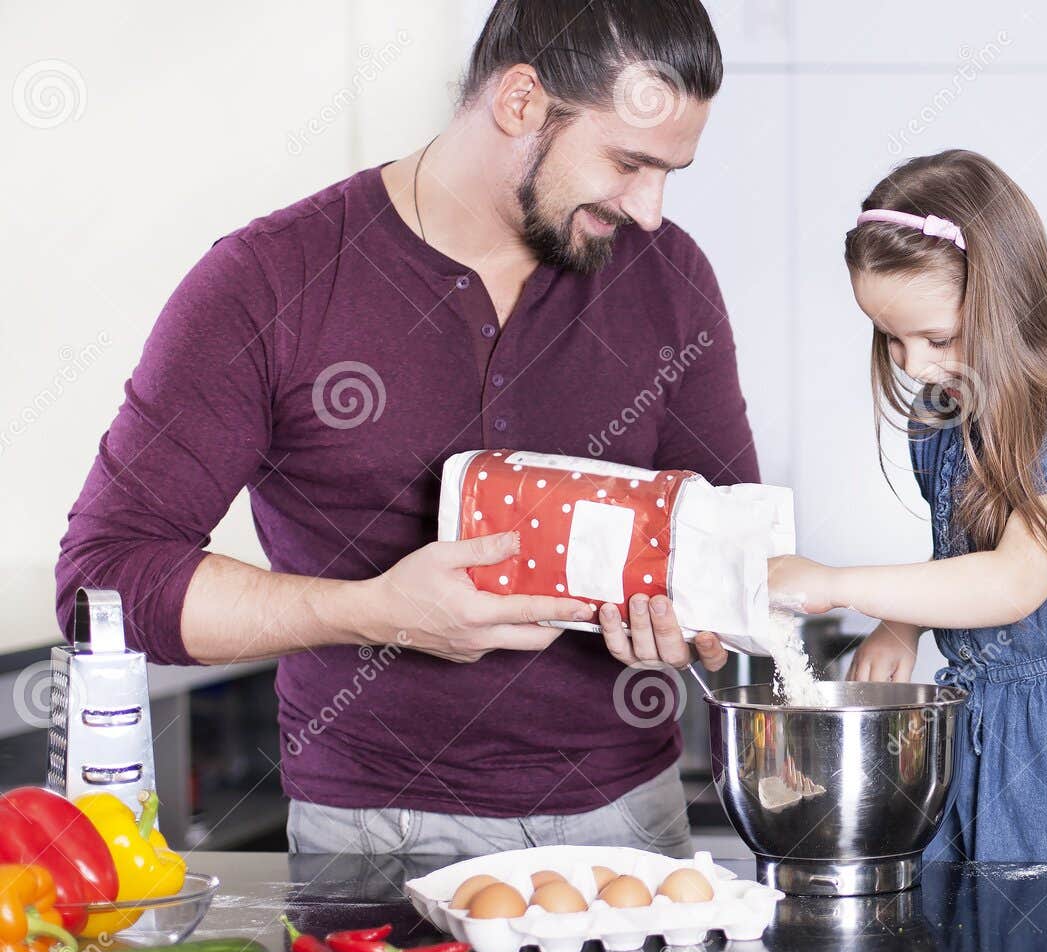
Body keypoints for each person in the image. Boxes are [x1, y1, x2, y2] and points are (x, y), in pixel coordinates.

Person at [55, 0, 752, 859]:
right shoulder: (270, 280)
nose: (649, 210)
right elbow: (108, 580)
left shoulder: (667, 274)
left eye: (668, 174)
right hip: (371, 837)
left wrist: (701, 606)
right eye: (628, 163)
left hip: (631, 825)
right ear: (522, 102)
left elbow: (723, 530)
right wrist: (372, 612)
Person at [768, 150, 1047, 862]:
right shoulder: (944, 414)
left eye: (936, 337)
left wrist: (832, 583)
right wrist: (900, 623)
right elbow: (963, 562)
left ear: (1007, 301)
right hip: (984, 719)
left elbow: (1009, 582)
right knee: (980, 943)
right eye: (890, 336)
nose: (910, 363)